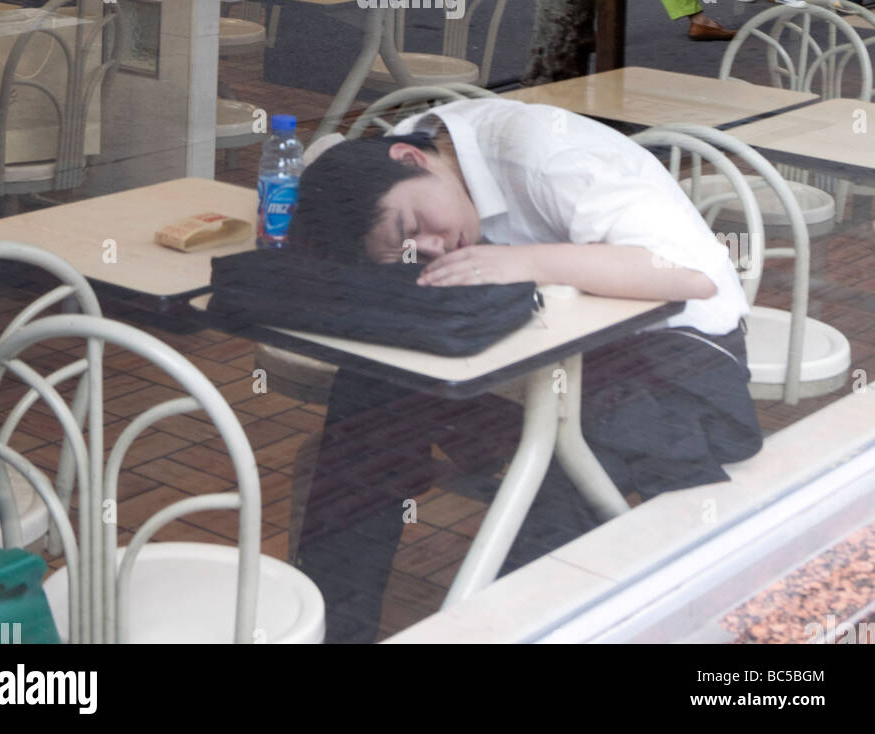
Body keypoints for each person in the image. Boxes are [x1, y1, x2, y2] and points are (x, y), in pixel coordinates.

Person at [288, 98, 762, 643]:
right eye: (409, 251)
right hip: (538, 353)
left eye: (416, 225)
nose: (434, 247)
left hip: (675, 356)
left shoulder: (549, 154)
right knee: (367, 403)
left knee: (558, 481)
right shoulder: (398, 158)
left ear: (411, 159)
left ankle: (527, 622)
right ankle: (336, 631)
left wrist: (528, 261)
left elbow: (688, 273)